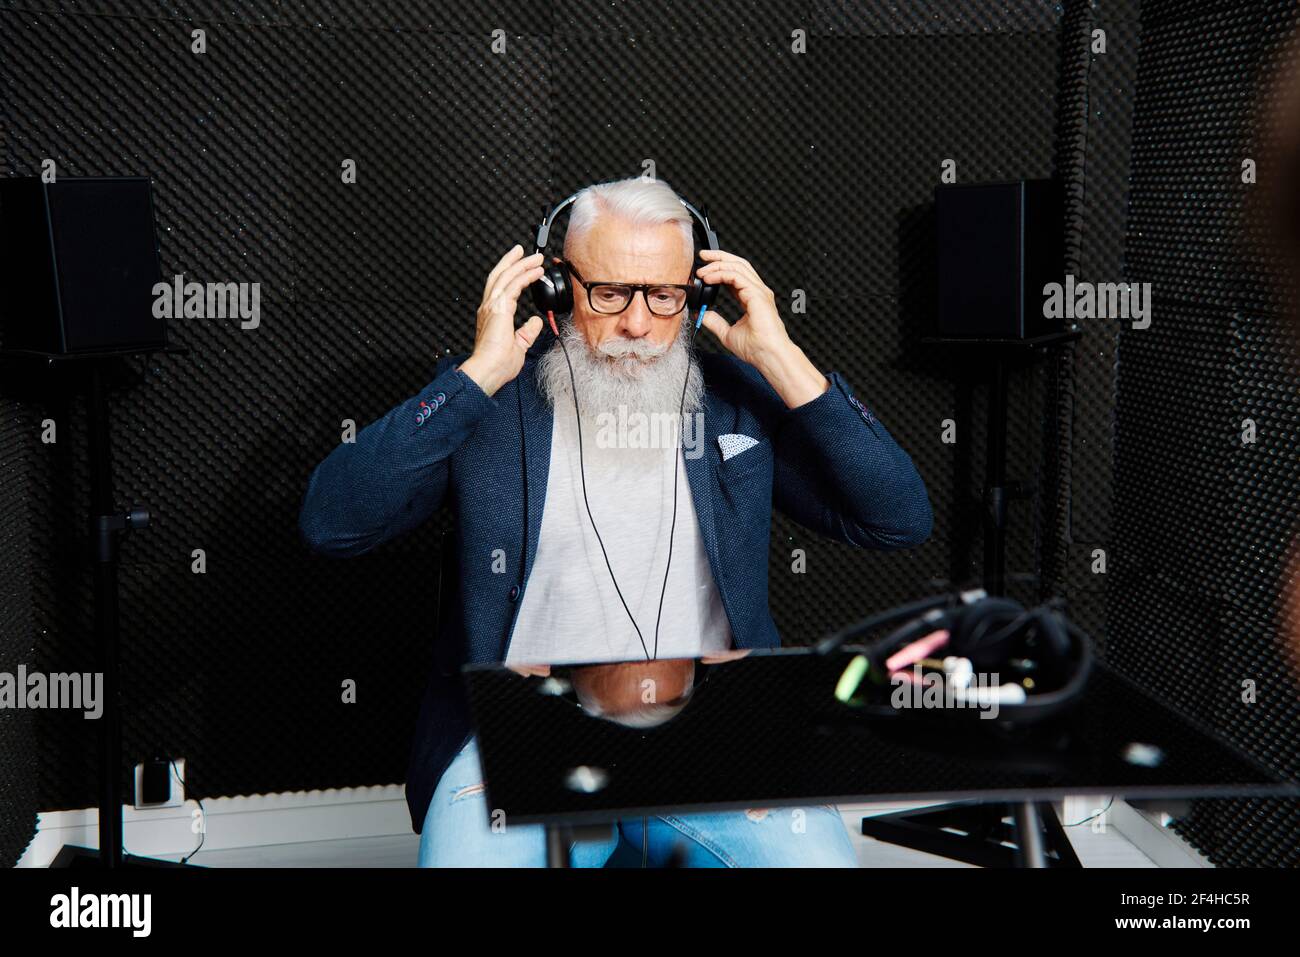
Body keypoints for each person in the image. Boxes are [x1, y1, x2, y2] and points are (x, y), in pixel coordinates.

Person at [298, 176, 933, 865]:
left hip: (711, 725)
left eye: (665, 296)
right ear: (558, 286)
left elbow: (898, 518)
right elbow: (333, 523)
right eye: (609, 294)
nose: (638, 324)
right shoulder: (488, 400)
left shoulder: (737, 400)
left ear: (696, 295)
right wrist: (475, 375)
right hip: (525, 726)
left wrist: (781, 357)